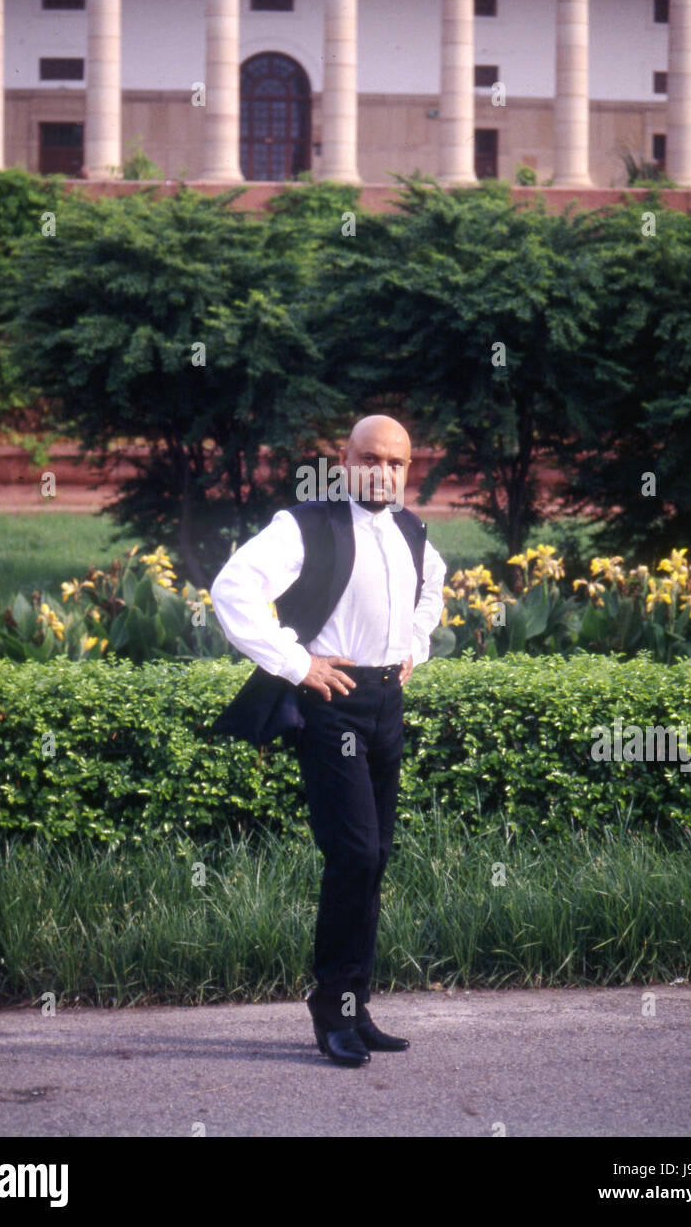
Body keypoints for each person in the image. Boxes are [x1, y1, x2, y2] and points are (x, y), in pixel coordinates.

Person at [209, 415, 447, 1067]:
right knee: (354, 853)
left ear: (407, 469)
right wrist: (296, 663)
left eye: (397, 463)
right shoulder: (304, 526)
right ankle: (331, 1009)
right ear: (344, 462)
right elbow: (232, 588)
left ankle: (355, 1006)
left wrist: (412, 650)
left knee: (377, 856)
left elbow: (433, 591)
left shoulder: (411, 530)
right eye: (371, 459)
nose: (385, 472)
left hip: (385, 705)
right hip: (332, 707)